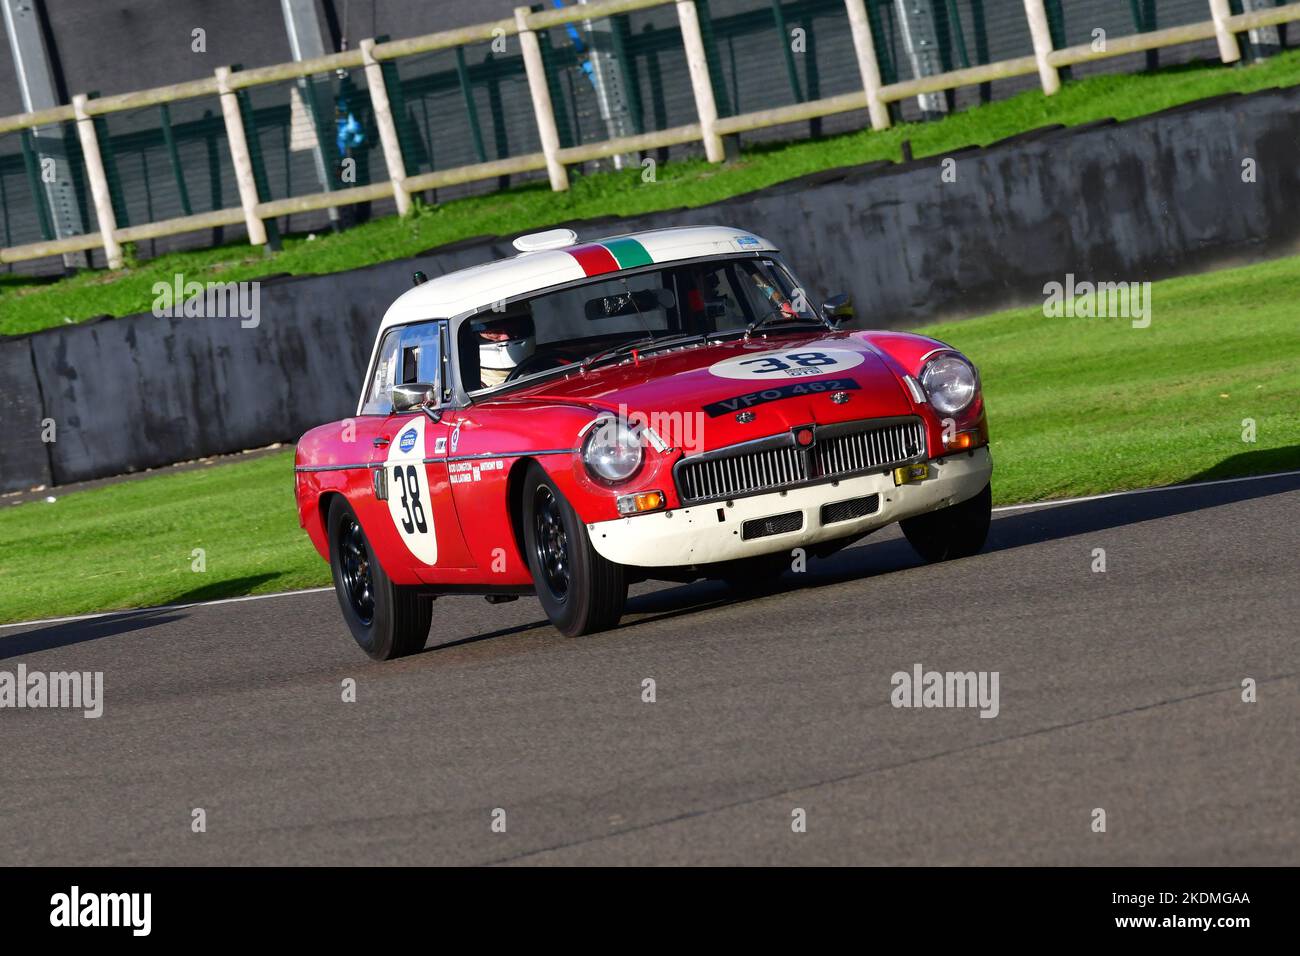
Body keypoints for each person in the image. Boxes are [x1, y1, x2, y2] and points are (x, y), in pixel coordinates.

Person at [474, 313, 536, 387]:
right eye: (493, 331)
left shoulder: (547, 364)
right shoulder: (472, 386)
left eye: (514, 328)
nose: (506, 338)